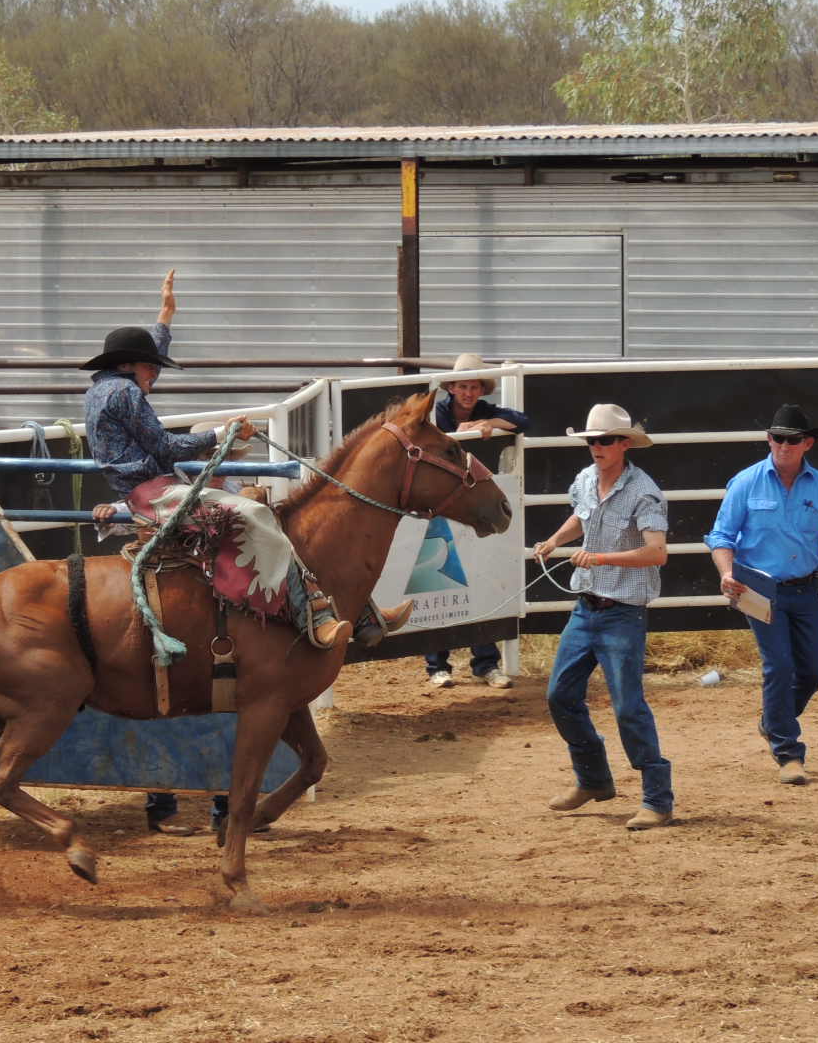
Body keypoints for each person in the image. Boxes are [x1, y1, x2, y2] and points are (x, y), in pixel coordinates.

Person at [84, 272, 406, 834]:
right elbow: (162, 445)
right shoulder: (127, 394)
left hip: (145, 486)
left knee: (251, 509)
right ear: (137, 369)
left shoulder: (111, 388)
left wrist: (165, 318)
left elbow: (152, 381)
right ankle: (290, 606)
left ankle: (345, 609)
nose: (156, 376)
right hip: (152, 489)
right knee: (255, 514)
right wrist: (221, 436)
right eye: (153, 366)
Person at [532, 404, 674, 831]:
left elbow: (657, 552)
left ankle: (657, 798)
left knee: (629, 706)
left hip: (622, 612)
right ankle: (593, 779)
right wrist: (555, 539)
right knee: (560, 696)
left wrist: (600, 557)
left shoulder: (643, 491)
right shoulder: (585, 480)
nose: (596, 447)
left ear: (624, 444)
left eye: (605, 440)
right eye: (592, 440)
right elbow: (582, 516)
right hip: (587, 605)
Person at [705, 403, 818, 785]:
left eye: (792, 439)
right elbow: (721, 537)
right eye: (777, 438)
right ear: (768, 439)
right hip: (757, 586)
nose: (783, 445)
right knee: (780, 665)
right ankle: (788, 750)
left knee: (813, 669)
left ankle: (774, 721)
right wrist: (726, 573)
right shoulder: (745, 482)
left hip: (805, 586)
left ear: (807, 443)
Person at [424, 353, 531, 691]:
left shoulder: (484, 411)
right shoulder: (437, 413)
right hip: (442, 501)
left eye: (473, 387)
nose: (468, 393)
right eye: (463, 386)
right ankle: (437, 666)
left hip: (472, 503)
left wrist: (488, 425)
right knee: (438, 577)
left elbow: (522, 420)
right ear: (451, 388)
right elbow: (432, 442)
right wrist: (464, 432)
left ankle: (485, 663)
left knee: (479, 575)